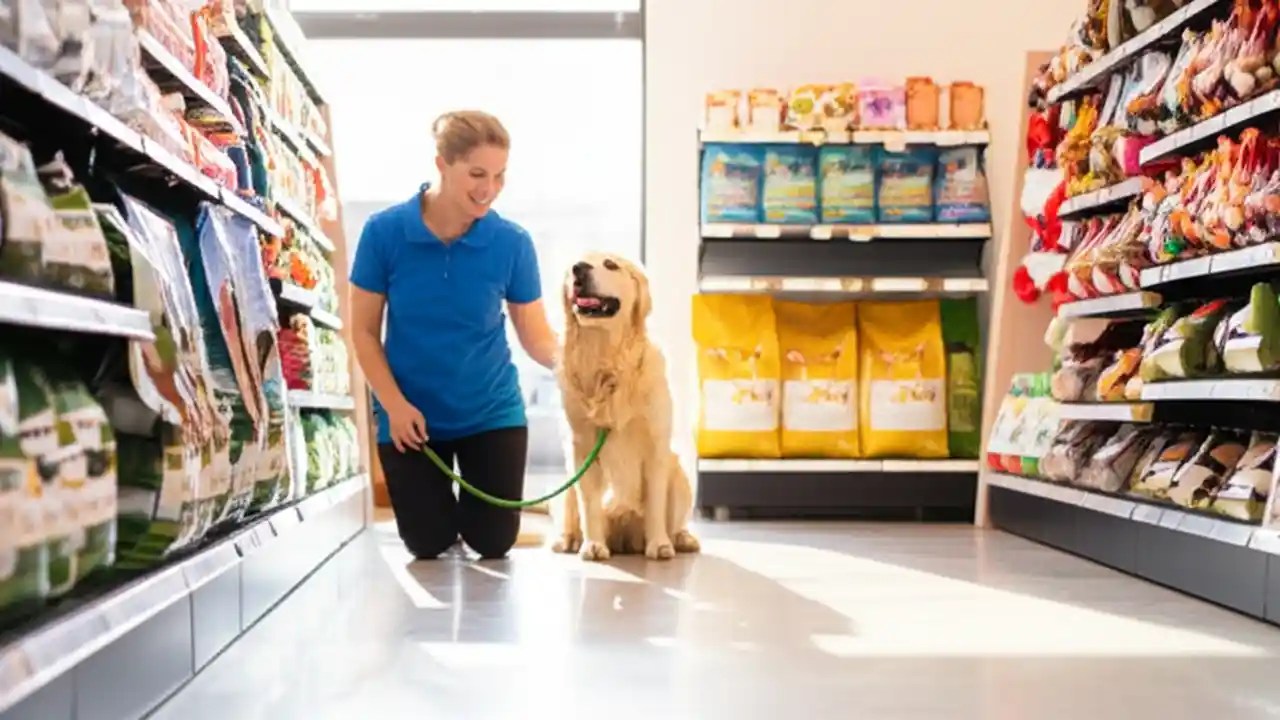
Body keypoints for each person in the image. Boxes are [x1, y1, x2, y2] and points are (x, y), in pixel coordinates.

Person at [348, 110, 558, 560]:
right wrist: (395, 407)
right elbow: (363, 333)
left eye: (500, 176)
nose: (489, 189)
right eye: (477, 173)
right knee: (427, 544)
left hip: (491, 413)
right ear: (442, 164)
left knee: (493, 542)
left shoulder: (512, 242)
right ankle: (440, 513)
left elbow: (537, 338)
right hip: (412, 421)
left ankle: (476, 515)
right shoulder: (383, 233)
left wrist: (585, 368)